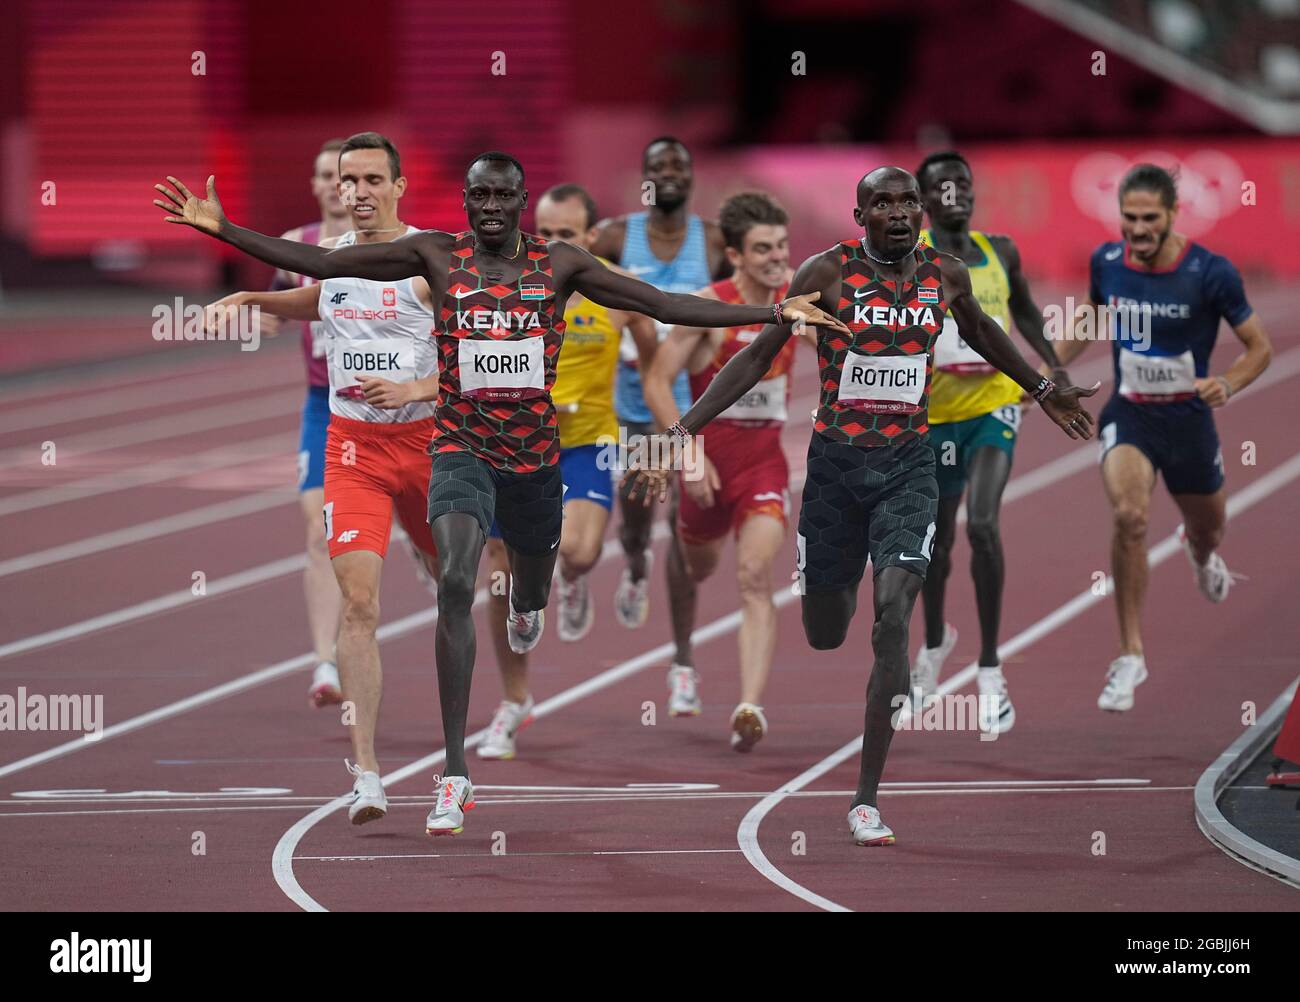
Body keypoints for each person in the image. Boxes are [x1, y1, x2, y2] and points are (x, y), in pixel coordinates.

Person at [154, 153, 845, 836]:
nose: (488, 207)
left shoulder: (561, 264)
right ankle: (455, 773)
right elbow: (328, 267)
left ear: (520, 201)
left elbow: (659, 302)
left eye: (501, 196)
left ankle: (529, 607)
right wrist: (225, 230)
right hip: (460, 451)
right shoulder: (434, 255)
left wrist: (772, 309)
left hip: (536, 463)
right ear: (466, 201)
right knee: (457, 583)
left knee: (530, 590)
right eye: (477, 195)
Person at [627, 166, 1097, 845]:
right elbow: (758, 357)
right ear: (861, 214)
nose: (901, 212)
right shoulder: (825, 274)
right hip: (835, 476)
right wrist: (681, 431)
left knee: (892, 617)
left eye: (909, 201)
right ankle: (824, 581)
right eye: (885, 203)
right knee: (826, 625)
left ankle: (866, 796)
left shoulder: (946, 273)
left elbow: (987, 332)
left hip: (910, 469)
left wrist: (1040, 383)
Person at [203, 132, 442, 824]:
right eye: (349, 181)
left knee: (462, 576)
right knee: (360, 603)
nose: (359, 192)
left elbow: (475, 353)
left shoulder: (434, 259)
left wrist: (418, 385)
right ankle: (367, 771)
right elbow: (320, 304)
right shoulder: (327, 261)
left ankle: (467, 571)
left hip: (430, 444)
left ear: (399, 187)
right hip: (352, 450)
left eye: (373, 179)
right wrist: (254, 298)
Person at [1051, 163, 1271, 712]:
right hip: (1131, 416)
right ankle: (1130, 655)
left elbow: (1259, 348)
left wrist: (1227, 382)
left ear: (1174, 214)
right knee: (1130, 516)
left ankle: (1200, 553)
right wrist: (1042, 373)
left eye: (1150, 218)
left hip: (1191, 421)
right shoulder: (1106, 262)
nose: (1139, 229)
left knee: (1209, 528)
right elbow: (1090, 316)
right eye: (1130, 218)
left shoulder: (1211, 273)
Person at [479, 182, 657, 760]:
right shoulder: (503, 281)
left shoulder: (615, 291)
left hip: (586, 442)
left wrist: (663, 440)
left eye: (566, 236)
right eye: (545, 233)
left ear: (589, 237)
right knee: (501, 578)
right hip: (512, 442)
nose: (553, 245)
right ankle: (514, 701)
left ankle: (575, 579)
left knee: (577, 553)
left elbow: (654, 372)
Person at [911, 150, 1073, 734]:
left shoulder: (1000, 251)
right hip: (930, 417)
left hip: (992, 409)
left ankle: (989, 669)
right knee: (932, 542)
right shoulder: (912, 259)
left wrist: (1054, 371)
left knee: (982, 524)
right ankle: (932, 645)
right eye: (941, 186)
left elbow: (1025, 312)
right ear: (923, 201)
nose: (954, 192)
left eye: (962, 183)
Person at [642, 191, 805, 748]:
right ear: (735, 255)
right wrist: (688, 456)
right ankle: (683, 657)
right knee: (698, 567)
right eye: (762, 248)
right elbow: (657, 381)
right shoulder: (708, 307)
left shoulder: (797, 304)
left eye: (782, 245)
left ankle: (749, 705)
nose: (776, 257)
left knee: (755, 576)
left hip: (764, 466)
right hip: (707, 469)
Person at [590, 137, 726, 715]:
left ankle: (683, 662)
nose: (668, 174)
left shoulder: (714, 241)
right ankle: (637, 561)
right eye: (658, 167)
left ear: (692, 177)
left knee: (682, 520)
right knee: (641, 515)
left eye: (679, 166)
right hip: (633, 407)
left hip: (690, 405)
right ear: (643, 179)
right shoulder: (615, 238)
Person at [270, 137, 350, 707]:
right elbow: (277, 305)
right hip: (324, 405)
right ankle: (325, 661)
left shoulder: (390, 249)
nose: (333, 184)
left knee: (434, 539)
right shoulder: (295, 248)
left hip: (391, 407)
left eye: (343, 175)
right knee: (320, 531)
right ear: (316, 184)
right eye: (323, 174)